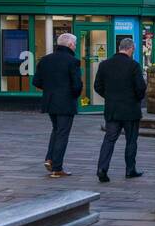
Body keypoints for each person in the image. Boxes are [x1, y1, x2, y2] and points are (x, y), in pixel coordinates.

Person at [93, 36, 146, 183]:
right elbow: (141, 87)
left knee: (109, 140)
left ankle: (102, 169)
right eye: (133, 49)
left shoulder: (104, 65)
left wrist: (109, 97)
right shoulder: (134, 65)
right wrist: (137, 99)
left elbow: (97, 86)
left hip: (112, 109)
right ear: (130, 49)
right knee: (131, 140)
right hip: (131, 110)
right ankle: (130, 170)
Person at [33, 32, 83, 177]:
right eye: (75, 44)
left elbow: (36, 81)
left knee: (56, 130)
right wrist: (73, 95)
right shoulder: (72, 61)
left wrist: (50, 90)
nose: (75, 46)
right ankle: (57, 167)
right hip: (66, 102)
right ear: (70, 45)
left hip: (50, 101)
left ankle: (50, 159)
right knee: (62, 133)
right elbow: (77, 85)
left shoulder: (45, 60)